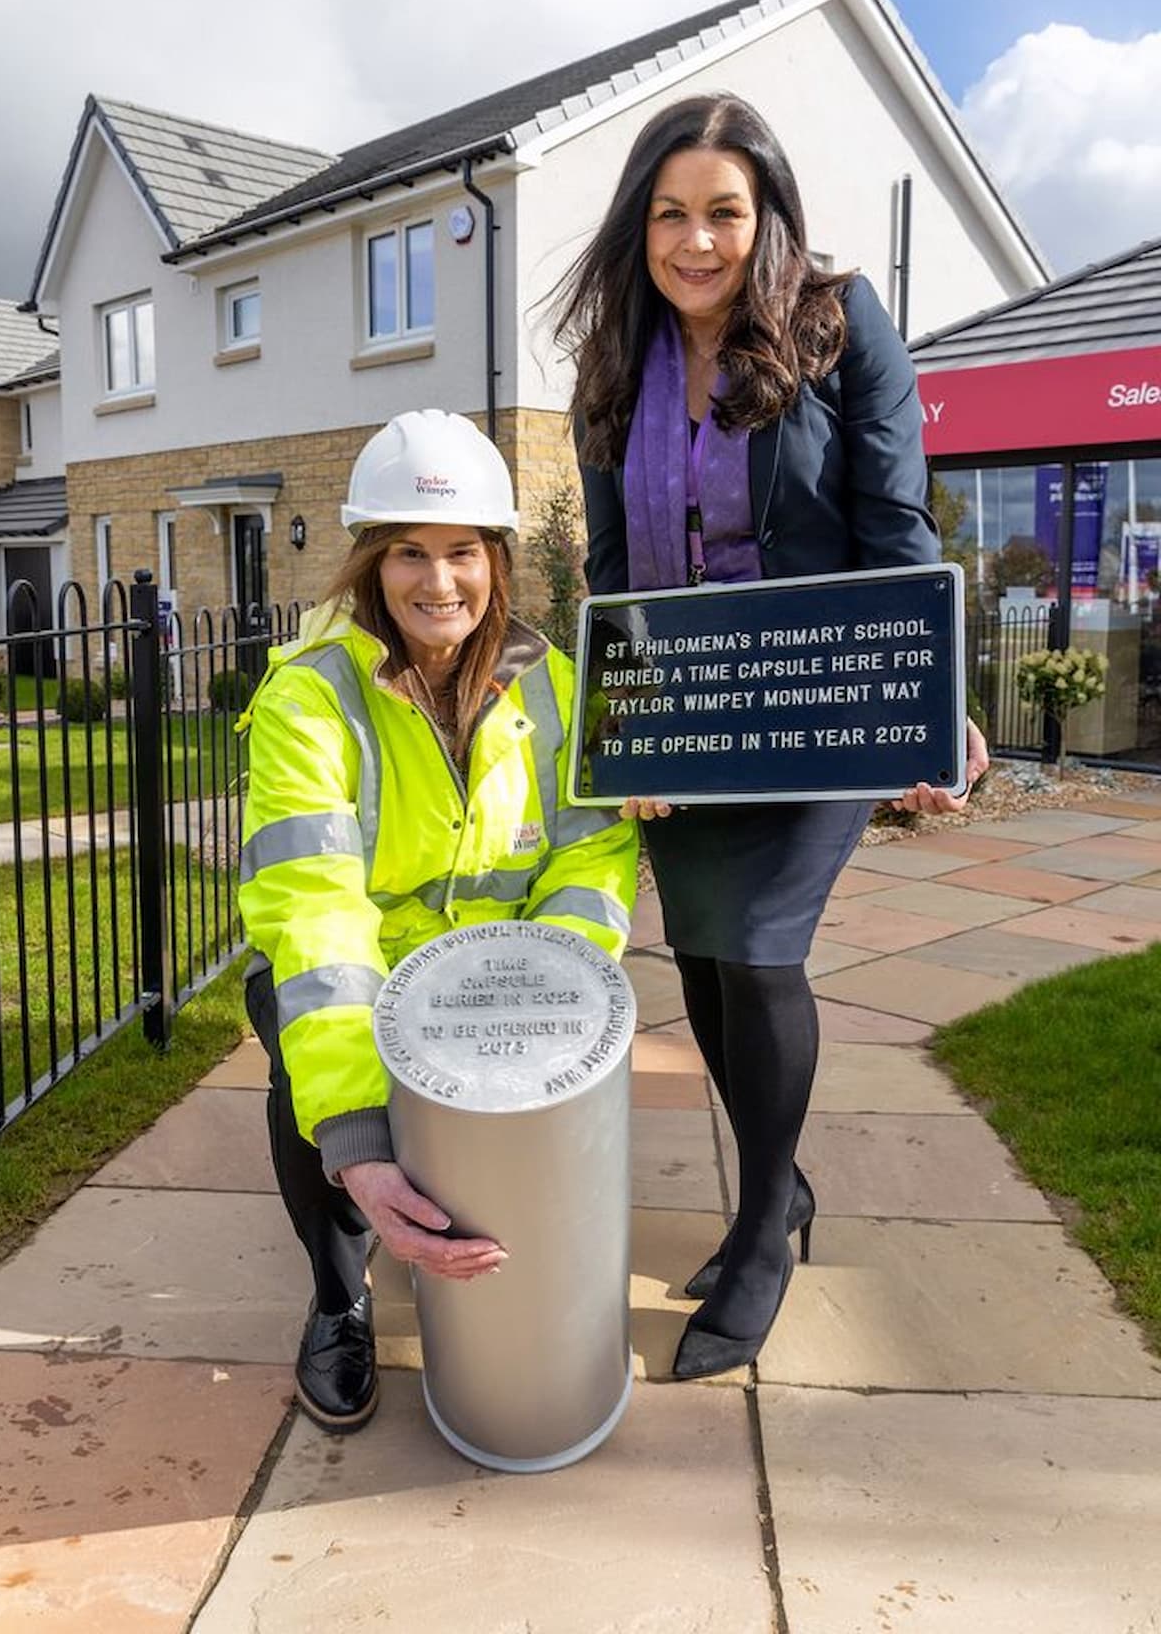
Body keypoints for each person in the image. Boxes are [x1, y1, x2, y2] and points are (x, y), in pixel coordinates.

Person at [554, 93, 988, 1381]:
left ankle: (760, 1234)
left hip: (819, 696)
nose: (697, 241)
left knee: (759, 951)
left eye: (724, 213)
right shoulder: (610, 363)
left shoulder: (842, 330)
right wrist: (617, 733)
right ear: (641, 224)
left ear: (769, 216)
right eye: (671, 213)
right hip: (681, 713)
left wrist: (929, 692)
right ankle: (781, 1190)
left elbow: (896, 522)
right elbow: (613, 565)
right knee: (698, 959)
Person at [238, 409, 638, 1431]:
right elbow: (315, 911)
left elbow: (593, 856)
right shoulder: (308, 701)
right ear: (371, 561)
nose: (438, 581)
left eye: (462, 552)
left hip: (504, 973)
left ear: (496, 559)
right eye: (409, 552)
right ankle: (340, 1297)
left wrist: (548, 997)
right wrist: (362, 1142)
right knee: (302, 1055)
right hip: (370, 974)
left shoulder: (557, 685)